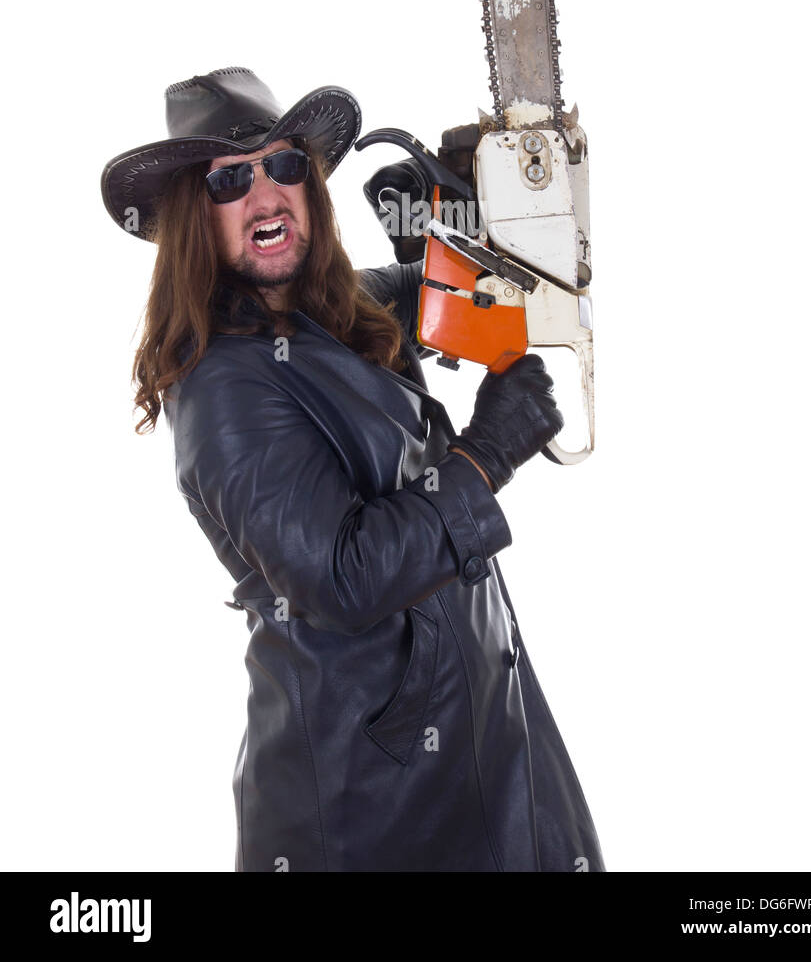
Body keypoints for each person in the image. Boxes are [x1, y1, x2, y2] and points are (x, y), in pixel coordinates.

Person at [101, 65, 606, 873]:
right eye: (232, 179)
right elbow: (343, 579)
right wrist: (486, 456)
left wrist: (449, 236)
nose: (267, 193)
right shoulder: (222, 384)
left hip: (482, 743)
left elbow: (446, 299)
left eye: (285, 165)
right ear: (197, 214)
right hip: (370, 804)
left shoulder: (328, 310)